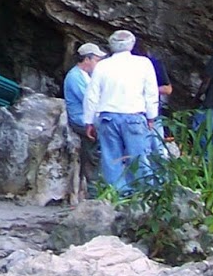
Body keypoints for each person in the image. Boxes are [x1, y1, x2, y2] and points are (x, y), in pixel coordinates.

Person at [81, 29, 161, 193]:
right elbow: (151, 92)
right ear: (132, 44)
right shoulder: (144, 63)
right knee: (138, 157)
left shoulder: (103, 65)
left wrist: (88, 121)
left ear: (111, 45)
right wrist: (152, 116)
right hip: (134, 117)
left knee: (111, 159)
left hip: (108, 117)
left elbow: (92, 95)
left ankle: (119, 196)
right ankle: (143, 195)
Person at [63, 42, 105, 193]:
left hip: (90, 117)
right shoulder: (75, 77)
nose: (98, 63)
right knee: (99, 144)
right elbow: (89, 100)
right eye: (97, 60)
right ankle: (95, 188)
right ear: (87, 59)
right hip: (81, 119)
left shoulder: (85, 75)